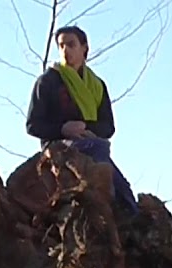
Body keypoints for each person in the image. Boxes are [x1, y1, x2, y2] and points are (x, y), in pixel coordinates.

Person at [24, 25, 138, 214]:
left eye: (71, 44)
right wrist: (63, 129)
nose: (65, 50)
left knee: (121, 183)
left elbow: (108, 127)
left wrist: (86, 126)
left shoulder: (97, 85)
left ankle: (131, 214)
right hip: (58, 148)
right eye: (61, 46)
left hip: (93, 146)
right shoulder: (48, 81)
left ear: (84, 47)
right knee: (98, 150)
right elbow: (32, 125)